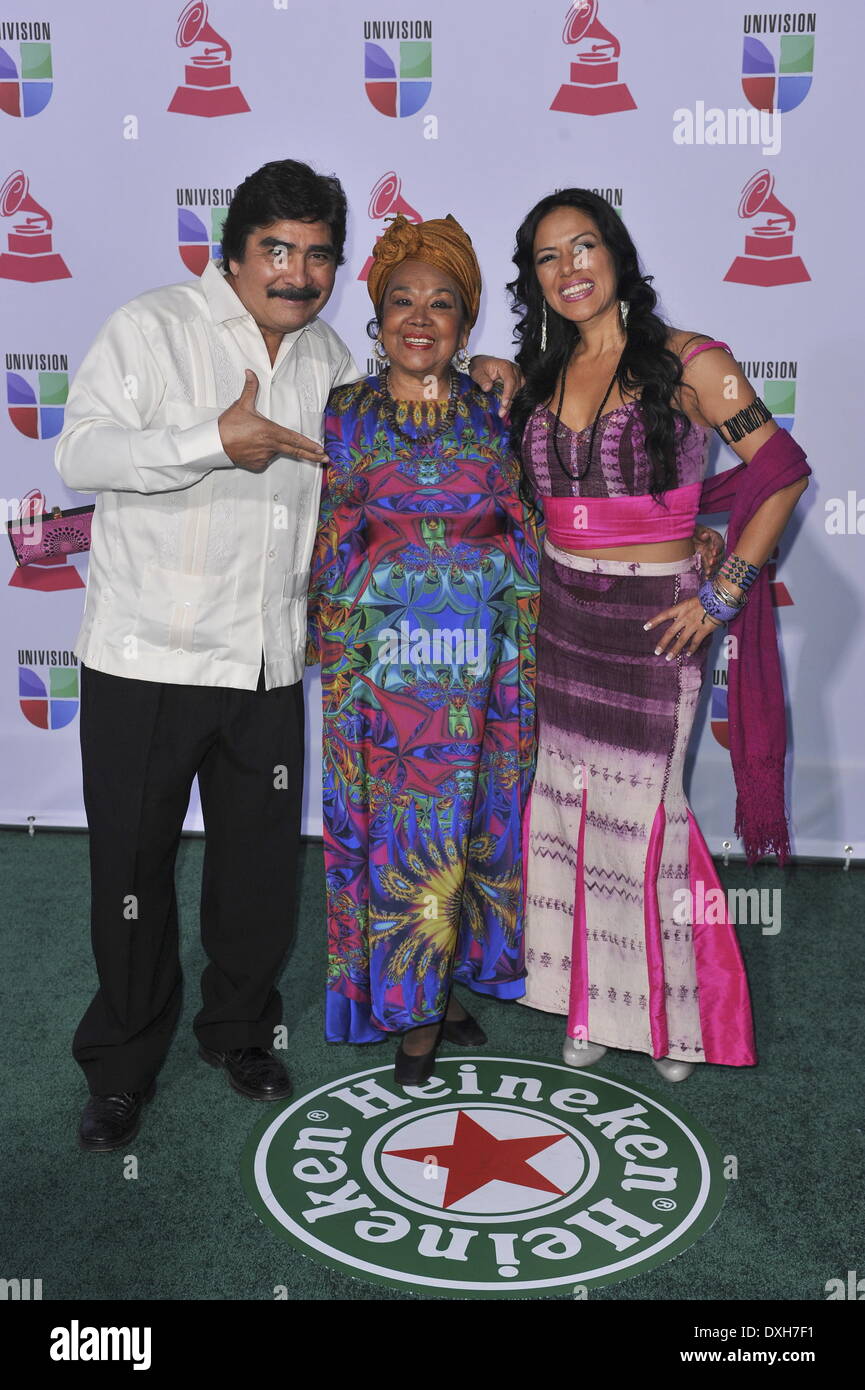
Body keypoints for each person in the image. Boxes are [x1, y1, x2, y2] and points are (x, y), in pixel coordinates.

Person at [508, 189, 809, 1082]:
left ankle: (675, 1018)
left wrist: (721, 595)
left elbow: (782, 471)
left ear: (617, 252)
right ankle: (591, 1005)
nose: (569, 269)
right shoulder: (539, 373)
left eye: (583, 246)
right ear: (533, 279)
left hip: (654, 628)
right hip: (563, 622)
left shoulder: (689, 360)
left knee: (652, 817)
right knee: (568, 812)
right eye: (548, 257)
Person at [306, 214, 540, 1086]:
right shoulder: (341, 414)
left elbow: (528, 534)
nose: (419, 316)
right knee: (399, 841)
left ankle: (439, 990)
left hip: (478, 675)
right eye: (401, 299)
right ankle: (407, 1018)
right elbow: (325, 541)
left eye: (441, 303)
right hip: (381, 682)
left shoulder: (499, 409)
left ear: (466, 325)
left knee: (471, 835)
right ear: (376, 315)